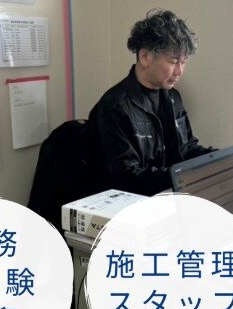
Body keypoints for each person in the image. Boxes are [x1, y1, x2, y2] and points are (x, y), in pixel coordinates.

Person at [88, 10, 213, 196]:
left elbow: (186, 149)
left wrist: (219, 160)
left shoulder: (173, 97)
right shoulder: (115, 106)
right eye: (173, 61)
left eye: (184, 62)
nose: (179, 71)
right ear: (145, 57)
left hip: (168, 193)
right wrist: (179, 175)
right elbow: (126, 176)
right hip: (132, 201)